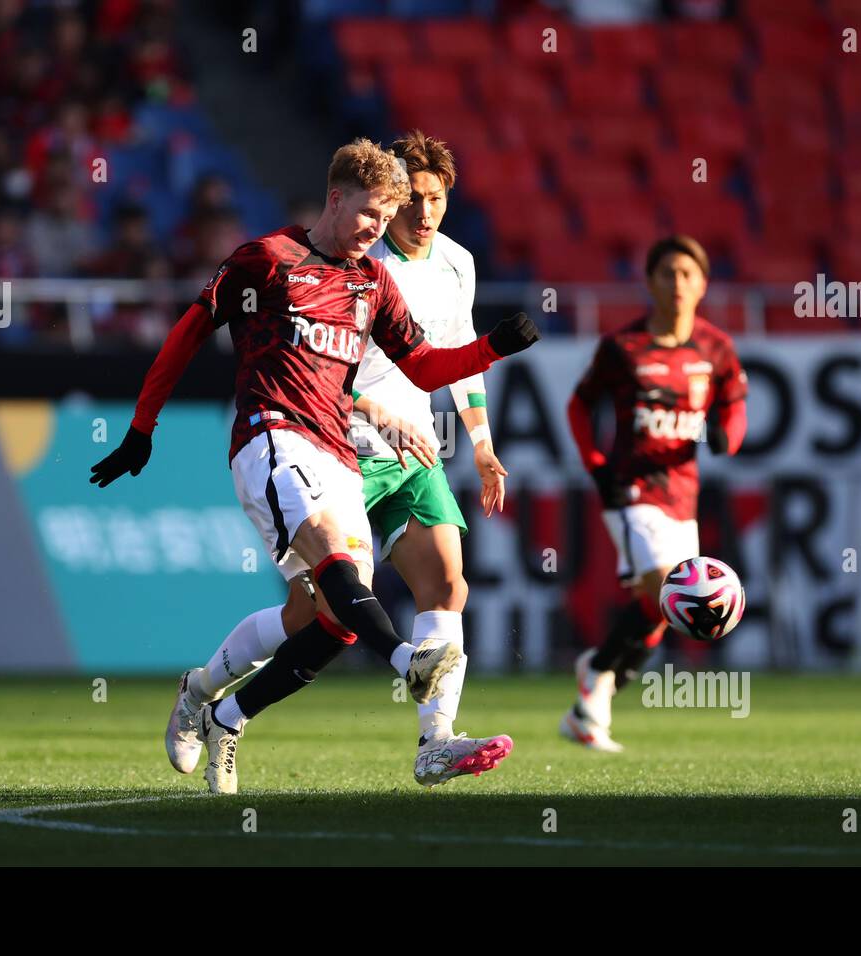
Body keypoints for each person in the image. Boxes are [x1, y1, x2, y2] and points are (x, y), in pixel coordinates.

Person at [91, 138, 540, 793]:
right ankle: (409, 663)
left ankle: (212, 701)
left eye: (386, 221)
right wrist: (141, 427)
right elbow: (189, 329)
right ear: (335, 198)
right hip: (270, 438)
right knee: (337, 572)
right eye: (370, 215)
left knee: (334, 619)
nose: (377, 230)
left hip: (337, 457)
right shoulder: (266, 260)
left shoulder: (370, 280)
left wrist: (493, 348)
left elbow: (422, 366)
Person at [561, 235, 747, 752]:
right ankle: (595, 680)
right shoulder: (624, 348)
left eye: (688, 274)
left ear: (703, 284)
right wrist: (595, 465)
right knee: (662, 586)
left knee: (663, 610)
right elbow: (580, 406)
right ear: (650, 282)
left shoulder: (715, 347)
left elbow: (734, 403)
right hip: (631, 488)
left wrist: (729, 435)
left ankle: (592, 693)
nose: (678, 284)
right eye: (668, 273)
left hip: (682, 494)